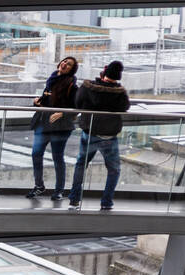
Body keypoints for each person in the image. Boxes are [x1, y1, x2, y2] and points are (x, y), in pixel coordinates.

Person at [67, 60, 130, 211]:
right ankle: (106, 202)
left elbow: (78, 102)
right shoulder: (119, 92)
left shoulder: (88, 87)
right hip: (108, 135)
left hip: (89, 132)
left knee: (81, 164)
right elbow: (125, 107)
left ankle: (74, 199)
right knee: (113, 170)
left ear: (104, 73)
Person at [25, 57, 78, 201]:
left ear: (72, 69)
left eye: (69, 64)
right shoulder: (52, 79)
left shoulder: (72, 85)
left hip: (60, 127)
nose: (65, 64)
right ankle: (39, 186)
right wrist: (38, 102)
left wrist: (62, 113)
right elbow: (46, 100)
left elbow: (77, 107)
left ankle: (59, 191)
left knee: (57, 158)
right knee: (36, 154)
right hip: (43, 123)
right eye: (64, 61)